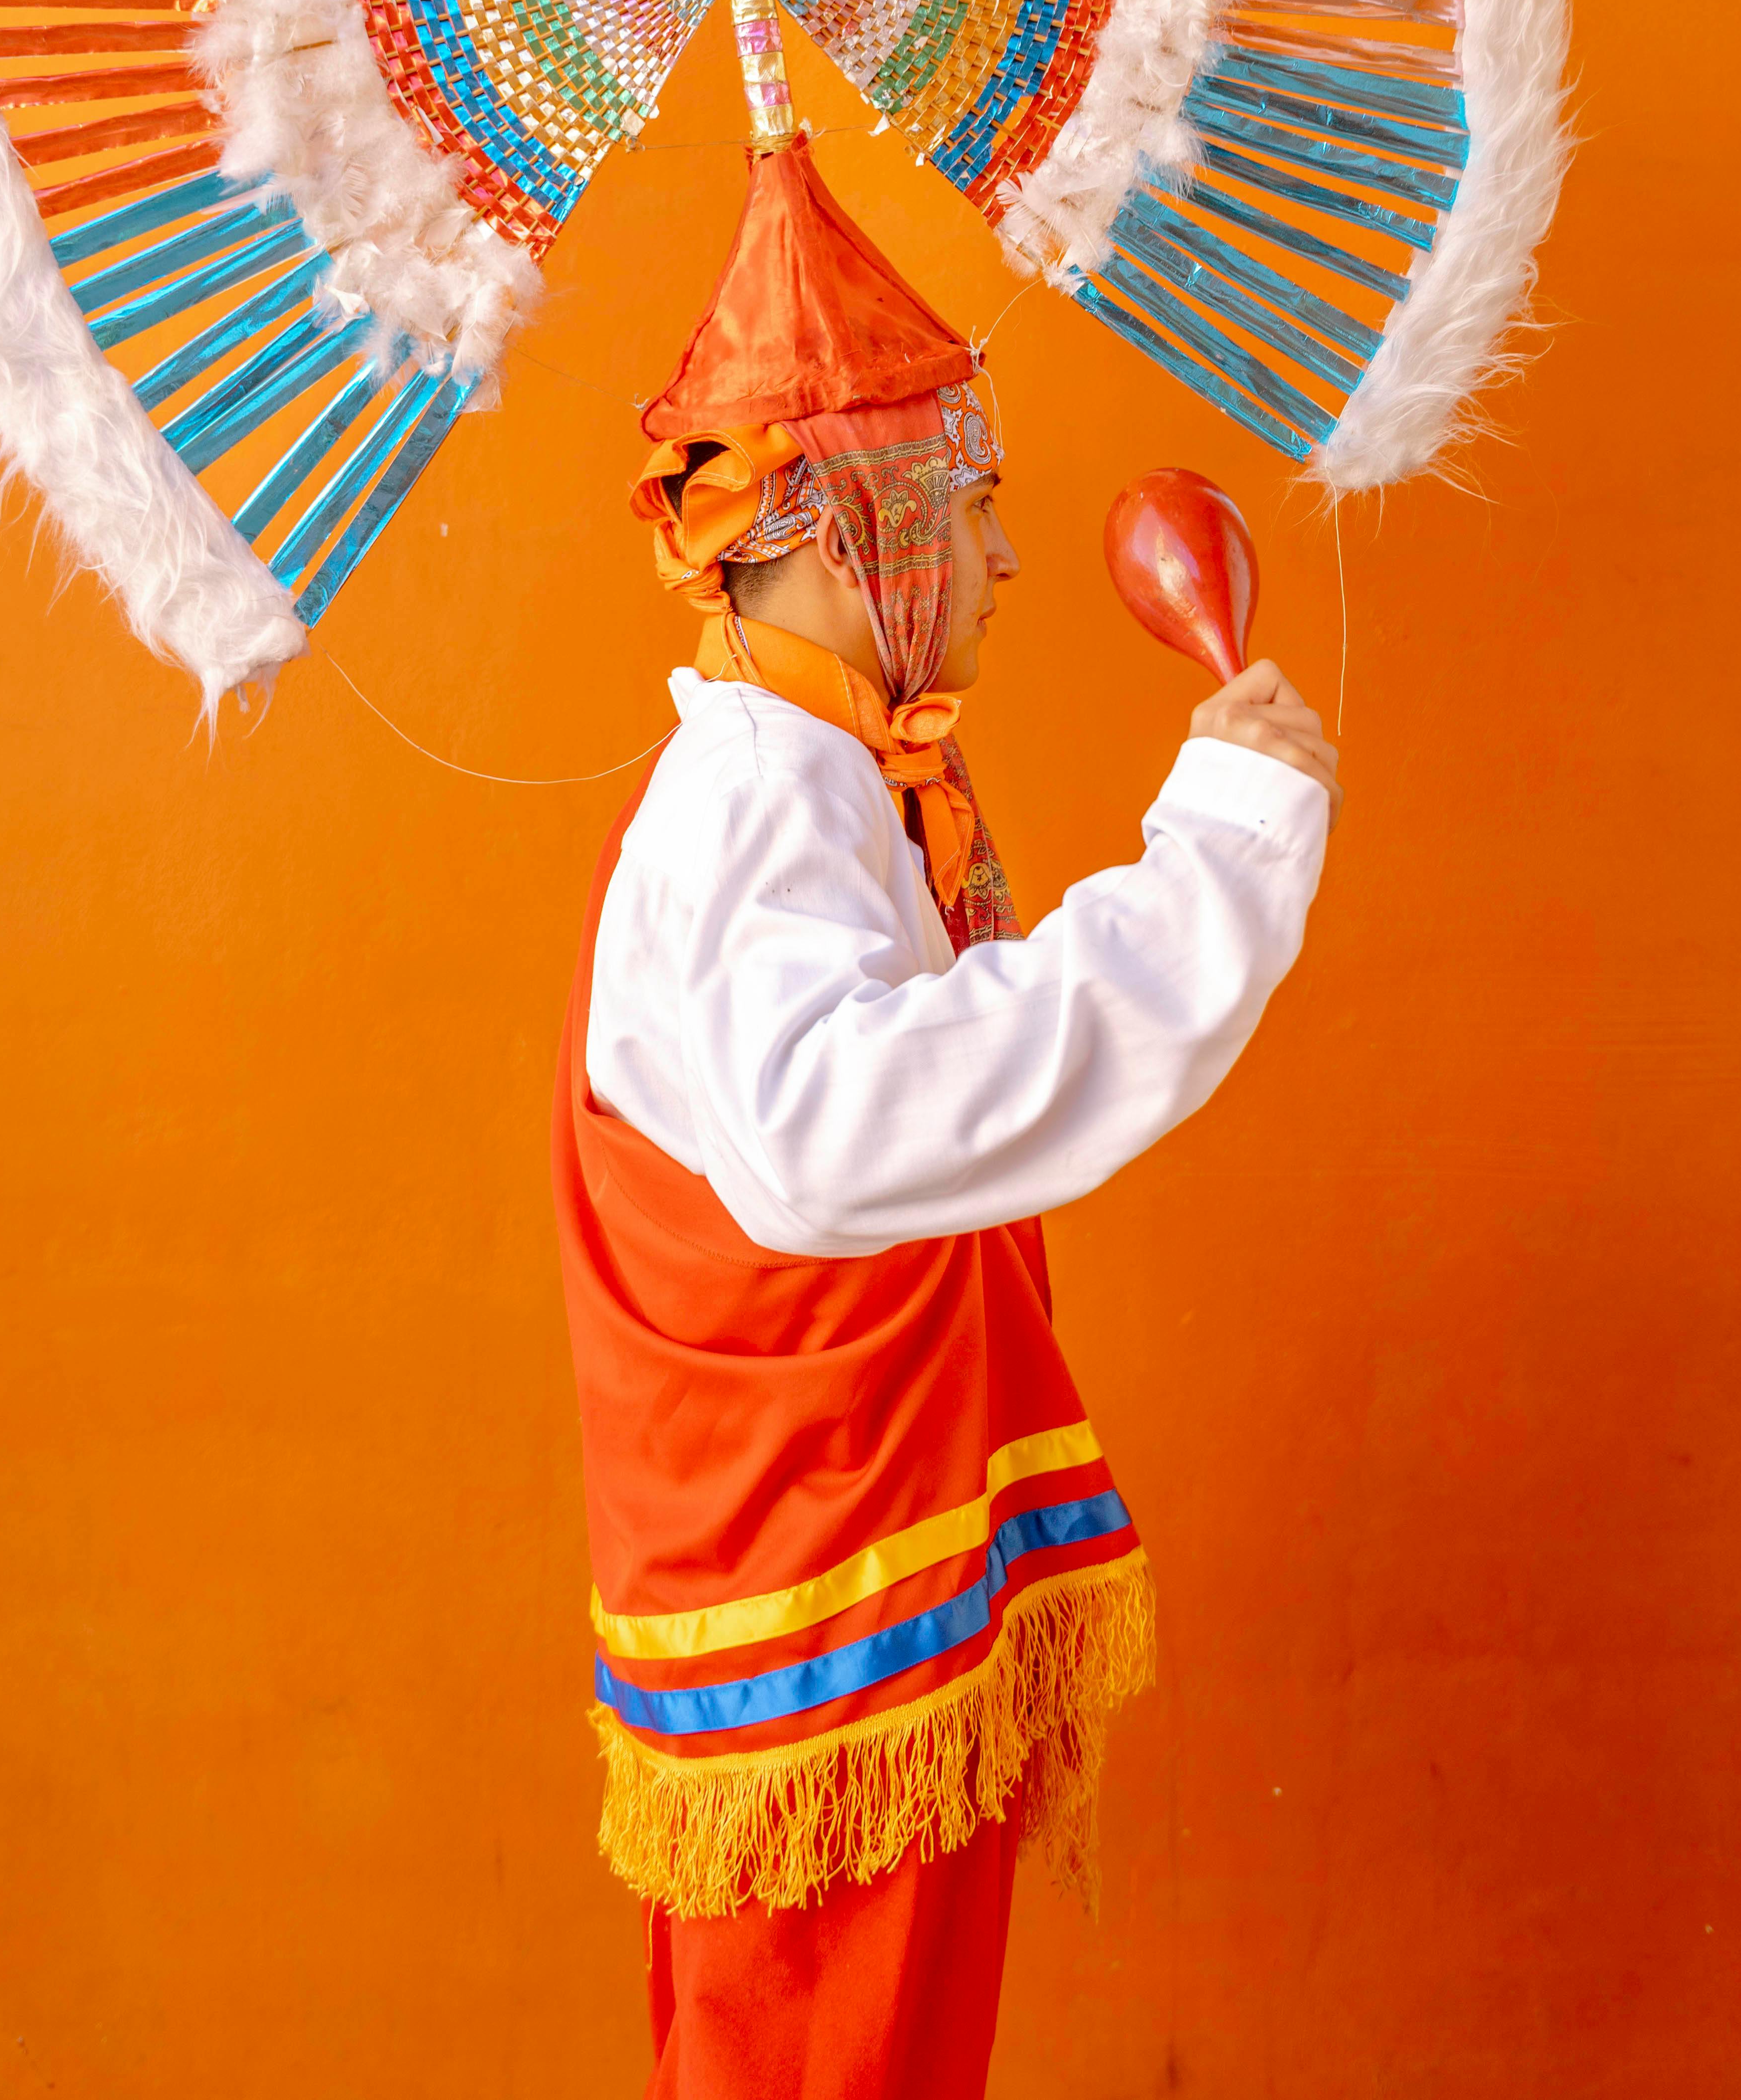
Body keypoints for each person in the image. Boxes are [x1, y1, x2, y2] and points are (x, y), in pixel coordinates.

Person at [551, 138, 1338, 2100]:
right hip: (815, 1589)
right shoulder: (756, 801)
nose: (997, 558)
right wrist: (1215, 855)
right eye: (966, 506)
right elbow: (843, 1129)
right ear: (833, 517)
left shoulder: (824, 773)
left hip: (846, 1564)